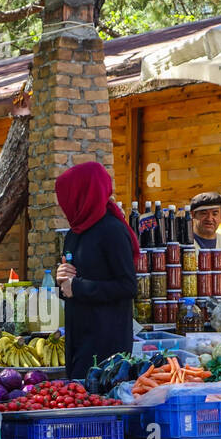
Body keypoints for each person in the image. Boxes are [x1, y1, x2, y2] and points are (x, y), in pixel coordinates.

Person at [54, 161, 138, 378]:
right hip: (78, 336)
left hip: (106, 342)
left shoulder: (112, 231)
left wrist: (79, 288)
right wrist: (62, 281)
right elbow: (72, 284)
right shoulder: (75, 232)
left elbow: (127, 286)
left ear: (82, 195)